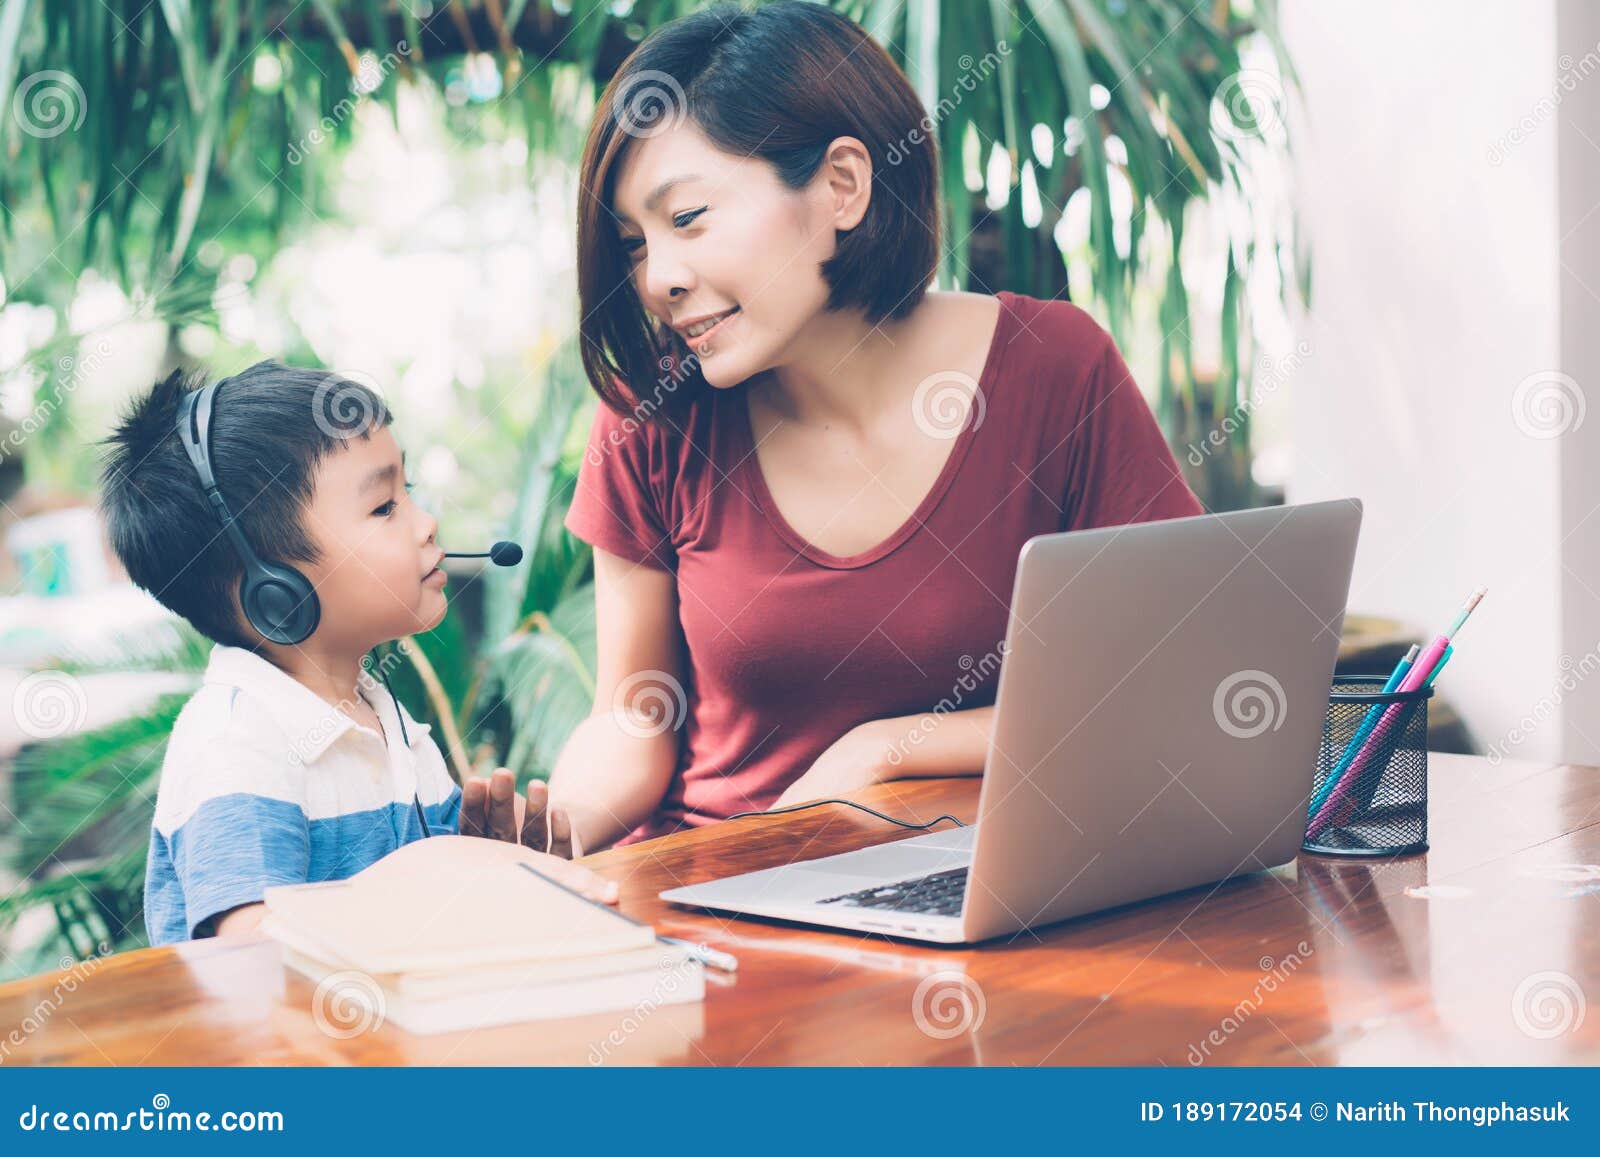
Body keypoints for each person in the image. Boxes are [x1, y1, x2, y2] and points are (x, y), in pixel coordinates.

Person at [548, 3, 1204, 852]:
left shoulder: (1054, 369)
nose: (657, 279)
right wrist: (537, 842)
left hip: (980, 880)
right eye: (635, 243)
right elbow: (630, 717)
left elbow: (1164, 684)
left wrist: (887, 750)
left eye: (687, 219)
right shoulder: (652, 410)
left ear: (842, 186)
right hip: (714, 885)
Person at [100, 361, 617, 946]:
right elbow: (251, 951)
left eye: (407, 493)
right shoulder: (235, 743)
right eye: (384, 507)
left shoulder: (387, 722)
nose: (427, 524)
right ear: (275, 590)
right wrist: (432, 869)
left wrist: (498, 865)